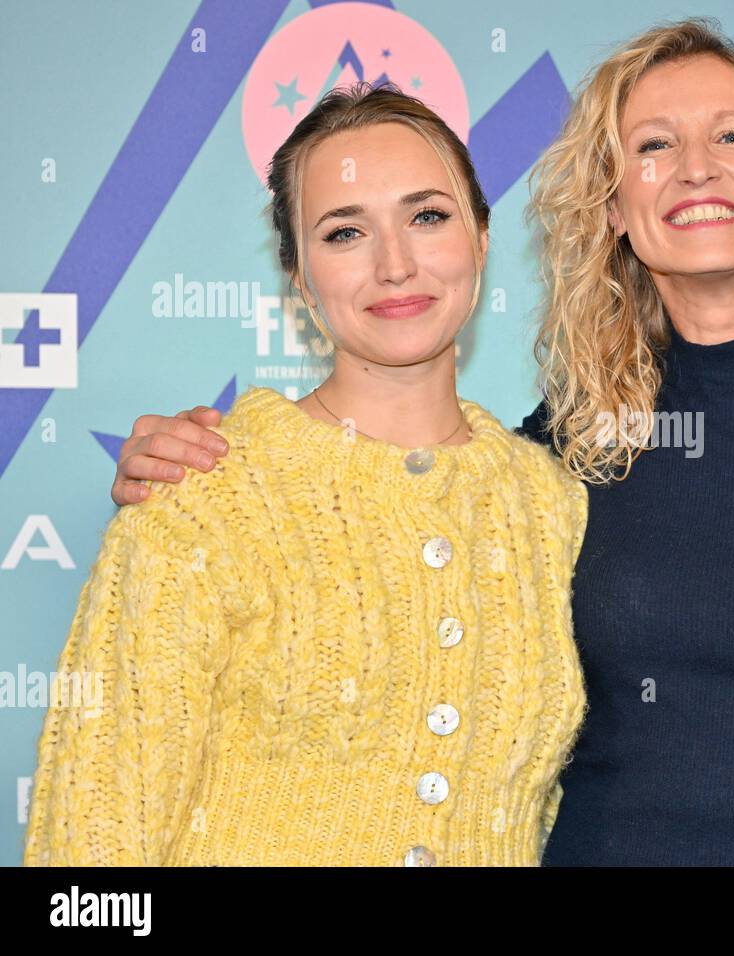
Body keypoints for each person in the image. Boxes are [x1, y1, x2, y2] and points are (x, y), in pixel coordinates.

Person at [112, 19, 734, 865]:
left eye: (733, 136)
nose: (696, 168)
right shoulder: (561, 452)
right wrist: (197, 465)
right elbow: (394, 506)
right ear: (613, 205)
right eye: (653, 146)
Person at [25, 85, 588, 866]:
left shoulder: (553, 508)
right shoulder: (201, 490)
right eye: (345, 232)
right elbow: (92, 839)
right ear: (298, 276)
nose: (395, 264)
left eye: (428, 216)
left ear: (482, 239)